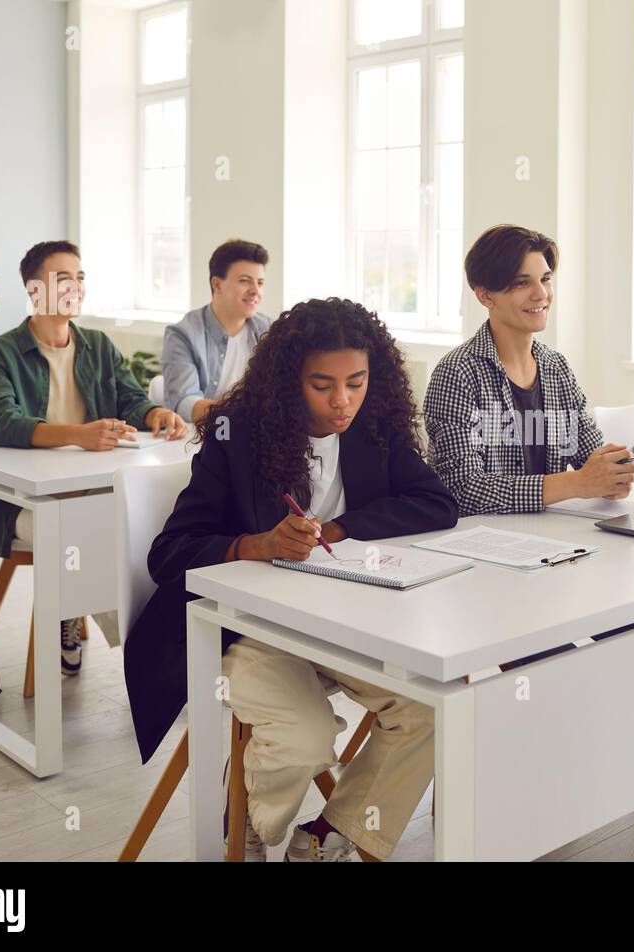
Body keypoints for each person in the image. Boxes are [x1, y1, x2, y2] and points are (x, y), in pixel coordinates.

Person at [124, 297, 458, 862]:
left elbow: (436, 503)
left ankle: (328, 835)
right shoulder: (239, 437)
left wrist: (339, 526)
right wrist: (256, 545)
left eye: (356, 381)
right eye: (322, 385)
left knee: (429, 711)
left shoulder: (374, 426)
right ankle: (251, 821)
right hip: (240, 630)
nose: (342, 401)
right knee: (304, 739)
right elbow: (169, 553)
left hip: (336, 624)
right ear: (288, 381)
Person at [0, 240, 186, 674]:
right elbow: (0, 422)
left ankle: (137, 638)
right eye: (62, 278)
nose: (76, 286)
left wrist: (155, 412)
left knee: (144, 522)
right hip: (20, 501)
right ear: (34, 291)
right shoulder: (0, 352)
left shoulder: (99, 347)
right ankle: (145, 651)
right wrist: (79, 436)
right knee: (90, 531)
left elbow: (130, 398)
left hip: (90, 489)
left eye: (80, 276)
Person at [423, 224, 634, 514]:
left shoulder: (557, 368)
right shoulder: (457, 374)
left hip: (550, 538)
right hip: (482, 541)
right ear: (485, 295)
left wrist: (613, 475)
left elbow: (591, 457)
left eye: (545, 279)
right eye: (522, 283)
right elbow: (463, 490)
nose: (541, 294)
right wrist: (577, 483)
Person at [162, 239, 273, 423]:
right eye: (245, 281)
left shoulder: (269, 331)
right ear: (217, 284)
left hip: (256, 436)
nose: (255, 291)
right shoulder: (183, 334)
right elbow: (184, 403)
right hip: (203, 437)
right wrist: (244, 415)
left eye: (260, 283)